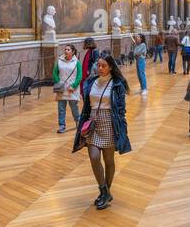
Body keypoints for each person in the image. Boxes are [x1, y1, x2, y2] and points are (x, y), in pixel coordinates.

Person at [72, 53, 132, 209]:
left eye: (103, 66)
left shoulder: (117, 84)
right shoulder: (91, 82)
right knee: (93, 156)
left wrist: (121, 127)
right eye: (98, 65)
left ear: (111, 67)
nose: (100, 68)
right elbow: (87, 104)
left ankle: (106, 192)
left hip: (110, 123)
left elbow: (121, 109)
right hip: (93, 122)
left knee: (109, 160)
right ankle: (103, 190)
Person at [52, 43, 81, 134]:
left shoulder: (77, 62)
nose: (66, 51)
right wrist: (59, 83)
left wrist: (74, 86)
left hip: (72, 89)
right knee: (61, 108)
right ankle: (62, 125)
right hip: (62, 89)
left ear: (73, 52)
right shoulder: (59, 61)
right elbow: (55, 73)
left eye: (68, 50)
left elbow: (79, 76)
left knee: (74, 107)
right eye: (65, 49)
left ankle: (78, 121)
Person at [132, 33, 149, 99]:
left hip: (141, 60)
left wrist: (136, 53)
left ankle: (145, 89)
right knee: (139, 75)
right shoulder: (137, 45)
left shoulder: (143, 45)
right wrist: (136, 53)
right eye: (136, 37)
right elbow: (134, 53)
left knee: (142, 74)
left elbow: (137, 52)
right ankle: (142, 87)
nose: (136, 38)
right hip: (138, 60)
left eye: (138, 37)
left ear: (141, 39)